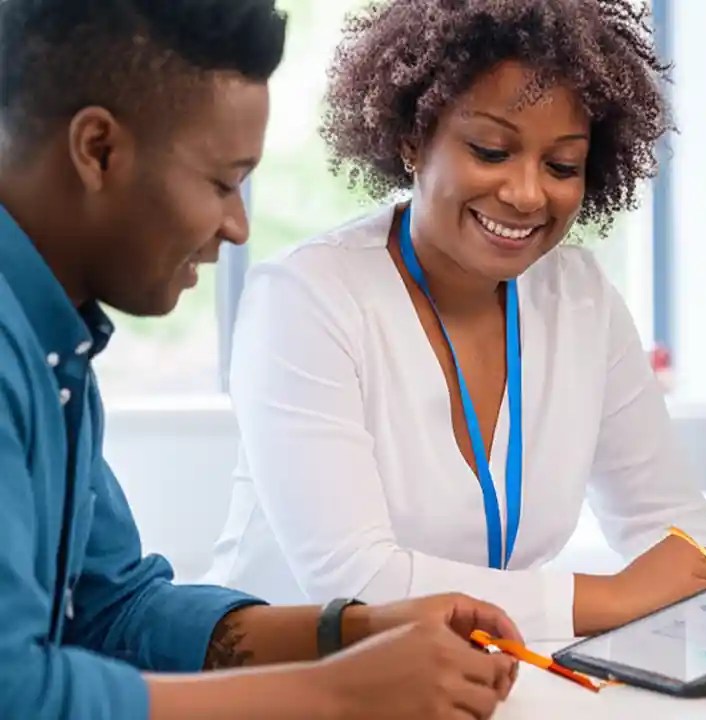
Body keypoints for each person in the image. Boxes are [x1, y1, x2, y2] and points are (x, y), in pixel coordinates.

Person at [0, 2, 522, 718]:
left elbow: (114, 614)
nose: (237, 229)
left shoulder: (54, 345)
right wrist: (340, 693)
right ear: (97, 149)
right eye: (222, 183)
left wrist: (353, 631)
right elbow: (16, 694)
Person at [203, 0, 706, 642]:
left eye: (562, 166)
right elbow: (357, 585)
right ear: (413, 139)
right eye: (491, 150)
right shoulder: (305, 298)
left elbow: (677, 538)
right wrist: (617, 597)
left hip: (486, 681)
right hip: (292, 689)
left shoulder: (582, 299)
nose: (526, 193)